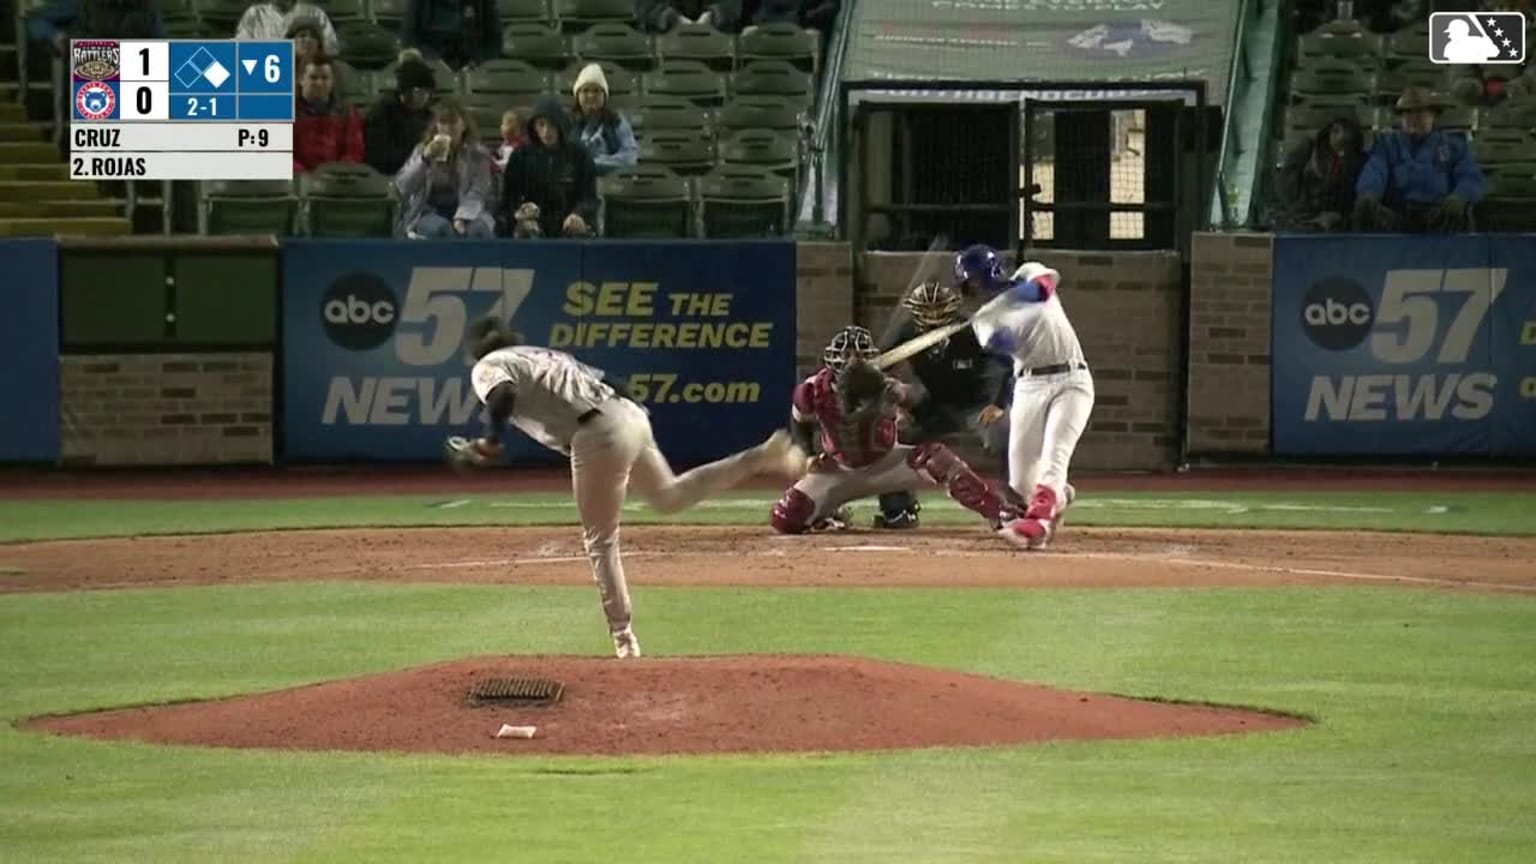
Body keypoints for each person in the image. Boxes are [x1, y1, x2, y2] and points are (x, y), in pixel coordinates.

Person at [447, 316, 803, 658]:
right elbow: (616, 381)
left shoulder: (487, 366)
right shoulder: (542, 355)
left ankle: (624, 640)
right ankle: (760, 457)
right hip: (629, 416)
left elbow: (502, 394)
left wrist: (491, 440)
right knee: (670, 496)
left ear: (475, 350)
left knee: (600, 540)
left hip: (597, 433)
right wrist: (630, 420)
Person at [768, 326, 1026, 545]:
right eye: (847, 357)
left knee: (936, 457)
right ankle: (830, 511)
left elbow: (917, 402)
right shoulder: (812, 390)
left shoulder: (885, 387)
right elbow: (799, 422)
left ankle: (1000, 512)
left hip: (887, 462)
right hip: (840, 469)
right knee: (785, 517)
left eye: (857, 357)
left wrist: (901, 400)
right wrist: (810, 454)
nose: (851, 362)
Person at [956, 246, 1094, 551]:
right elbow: (1007, 349)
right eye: (970, 285)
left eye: (977, 280)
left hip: (1072, 380)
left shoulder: (1030, 272)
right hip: (1029, 384)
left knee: (1054, 456)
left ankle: (1037, 526)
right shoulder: (984, 321)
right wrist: (995, 326)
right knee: (1020, 480)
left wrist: (1008, 300)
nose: (976, 288)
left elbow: (1042, 290)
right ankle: (1055, 498)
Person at [869, 281, 1014, 530]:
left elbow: (1009, 365)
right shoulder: (908, 333)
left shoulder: (972, 330)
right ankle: (899, 510)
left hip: (977, 404)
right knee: (898, 436)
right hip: (936, 403)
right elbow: (882, 366)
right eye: (925, 311)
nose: (932, 317)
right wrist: (873, 370)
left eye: (938, 310)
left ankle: (1016, 506)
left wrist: (999, 404)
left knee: (1006, 436)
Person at [1354, 88, 1485, 234]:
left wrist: (1460, 197)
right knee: (1366, 210)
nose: (1413, 118)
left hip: (1439, 215)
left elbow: (1469, 176)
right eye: (1407, 113)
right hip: (1396, 216)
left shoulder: (1454, 145)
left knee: (1460, 214)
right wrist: (1369, 192)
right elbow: (1375, 170)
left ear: (1433, 115)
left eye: (1420, 113)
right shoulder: (1387, 144)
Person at [393, 101, 497, 239]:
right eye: (442, 123)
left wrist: (462, 217)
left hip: (469, 208)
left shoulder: (478, 154)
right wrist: (424, 160)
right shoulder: (422, 150)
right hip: (428, 211)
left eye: (453, 123)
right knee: (441, 229)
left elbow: (478, 191)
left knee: (478, 230)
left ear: (464, 125)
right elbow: (404, 186)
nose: (447, 128)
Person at [500, 96, 598, 238]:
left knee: (579, 231)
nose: (546, 132)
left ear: (560, 125)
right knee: (524, 231)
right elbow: (508, 199)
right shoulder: (521, 156)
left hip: (570, 220)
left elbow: (589, 197)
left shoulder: (579, 154)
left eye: (552, 125)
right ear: (533, 126)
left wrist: (578, 214)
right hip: (533, 223)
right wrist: (520, 212)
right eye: (541, 125)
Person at [1270, 115, 1366, 232]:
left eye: (1346, 132)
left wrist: (1339, 218)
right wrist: (1313, 217)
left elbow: (1353, 206)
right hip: (1295, 223)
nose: (1340, 137)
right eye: (1335, 131)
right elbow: (1286, 192)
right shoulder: (1307, 152)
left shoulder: (1356, 165)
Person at [363, 52, 437, 177]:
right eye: (421, 92)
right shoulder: (381, 115)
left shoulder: (428, 115)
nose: (424, 97)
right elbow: (380, 159)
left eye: (426, 92)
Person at [292, 55, 365, 173]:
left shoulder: (347, 113)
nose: (319, 83)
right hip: (297, 181)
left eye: (325, 78)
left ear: (332, 81)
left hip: (338, 180)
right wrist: (305, 177)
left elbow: (354, 151)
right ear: (301, 79)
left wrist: (337, 173)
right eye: (313, 78)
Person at [570, 64, 639, 175]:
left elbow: (629, 157)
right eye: (586, 90)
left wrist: (592, 163)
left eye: (597, 91)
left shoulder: (618, 122)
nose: (591, 95)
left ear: (604, 96)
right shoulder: (567, 122)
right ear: (577, 95)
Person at [401, 0, 501, 70]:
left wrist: (477, 61)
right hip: (430, 67)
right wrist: (434, 61)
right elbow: (408, 38)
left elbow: (494, 39)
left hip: (473, 68)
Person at [236, 0, 339, 55]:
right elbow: (240, 49)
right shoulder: (254, 14)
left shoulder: (315, 14)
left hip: (305, 77)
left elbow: (331, 49)